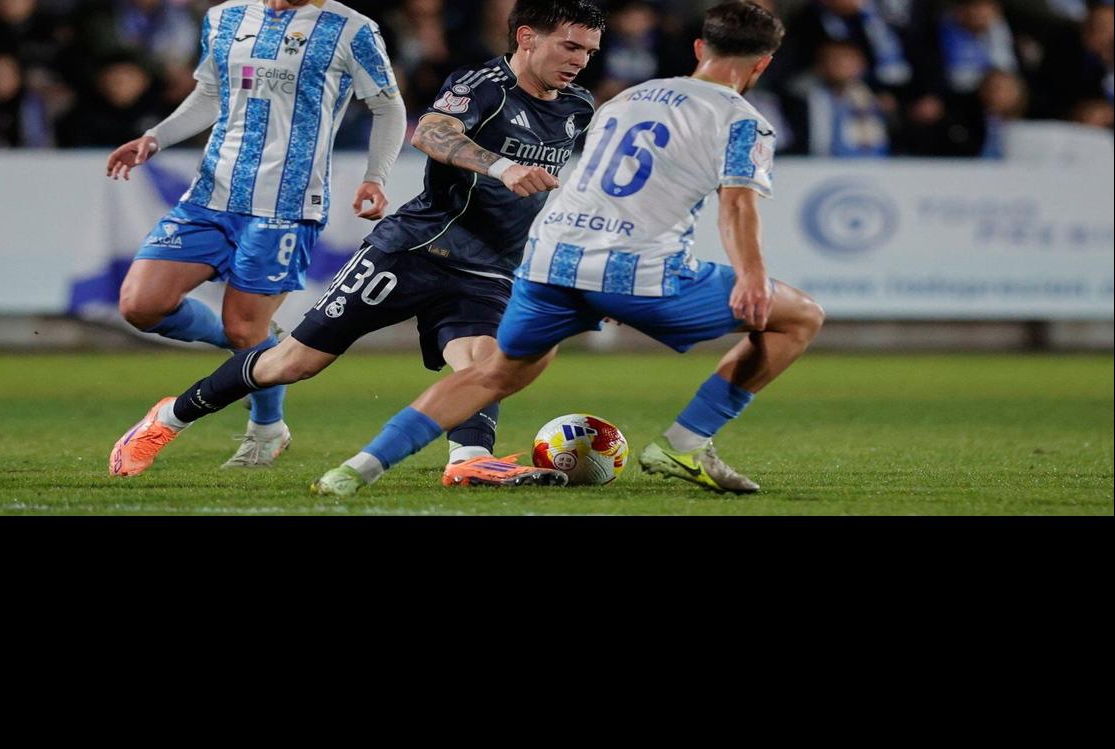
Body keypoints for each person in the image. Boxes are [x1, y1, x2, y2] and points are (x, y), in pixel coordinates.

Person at [311, 0, 824, 498]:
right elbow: (737, 205)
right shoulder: (741, 120)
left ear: (698, 48)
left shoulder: (631, 98)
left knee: (492, 374)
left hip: (551, 258)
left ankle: (355, 470)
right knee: (799, 316)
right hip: (632, 267)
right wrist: (751, 278)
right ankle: (684, 444)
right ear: (763, 63)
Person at [108, 0, 608, 487]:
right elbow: (431, 133)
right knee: (294, 362)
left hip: (490, 265)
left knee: (487, 363)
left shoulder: (578, 107)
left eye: (589, 52)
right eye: (570, 47)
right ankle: (169, 418)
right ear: (526, 37)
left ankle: (471, 459)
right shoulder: (482, 86)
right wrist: (503, 167)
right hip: (415, 250)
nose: (580, 61)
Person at [104, 0, 407, 473]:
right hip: (210, 195)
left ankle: (266, 431)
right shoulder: (224, 18)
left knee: (245, 328)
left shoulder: (351, 28)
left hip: (286, 206)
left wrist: (376, 176)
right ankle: (263, 345)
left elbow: (388, 106)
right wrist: (156, 137)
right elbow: (210, 94)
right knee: (140, 305)